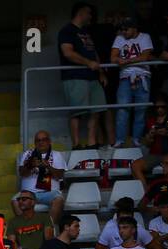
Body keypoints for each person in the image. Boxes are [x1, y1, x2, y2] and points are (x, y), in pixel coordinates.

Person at [59, 3, 108, 148]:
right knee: (77, 112)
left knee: (97, 109)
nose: (91, 16)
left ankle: (92, 142)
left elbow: (94, 53)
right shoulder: (67, 31)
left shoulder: (86, 32)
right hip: (75, 76)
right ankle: (76, 144)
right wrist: (88, 63)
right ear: (81, 12)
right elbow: (67, 52)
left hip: (92, 77)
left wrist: (101, 72)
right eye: (89, 13)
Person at [110, 18, 153, 148]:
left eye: (126, 29)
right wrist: (123, 60)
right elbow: (113, 58)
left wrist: (126, 61)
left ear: (134, 28)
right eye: (122, 29)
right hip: (125, 77)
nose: (123, 32)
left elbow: (145, 56)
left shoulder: (145, 37)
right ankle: (120, 140)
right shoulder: (119, 38)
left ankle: (136, 139)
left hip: (142, 76)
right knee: (122, 110)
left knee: (141, 109)